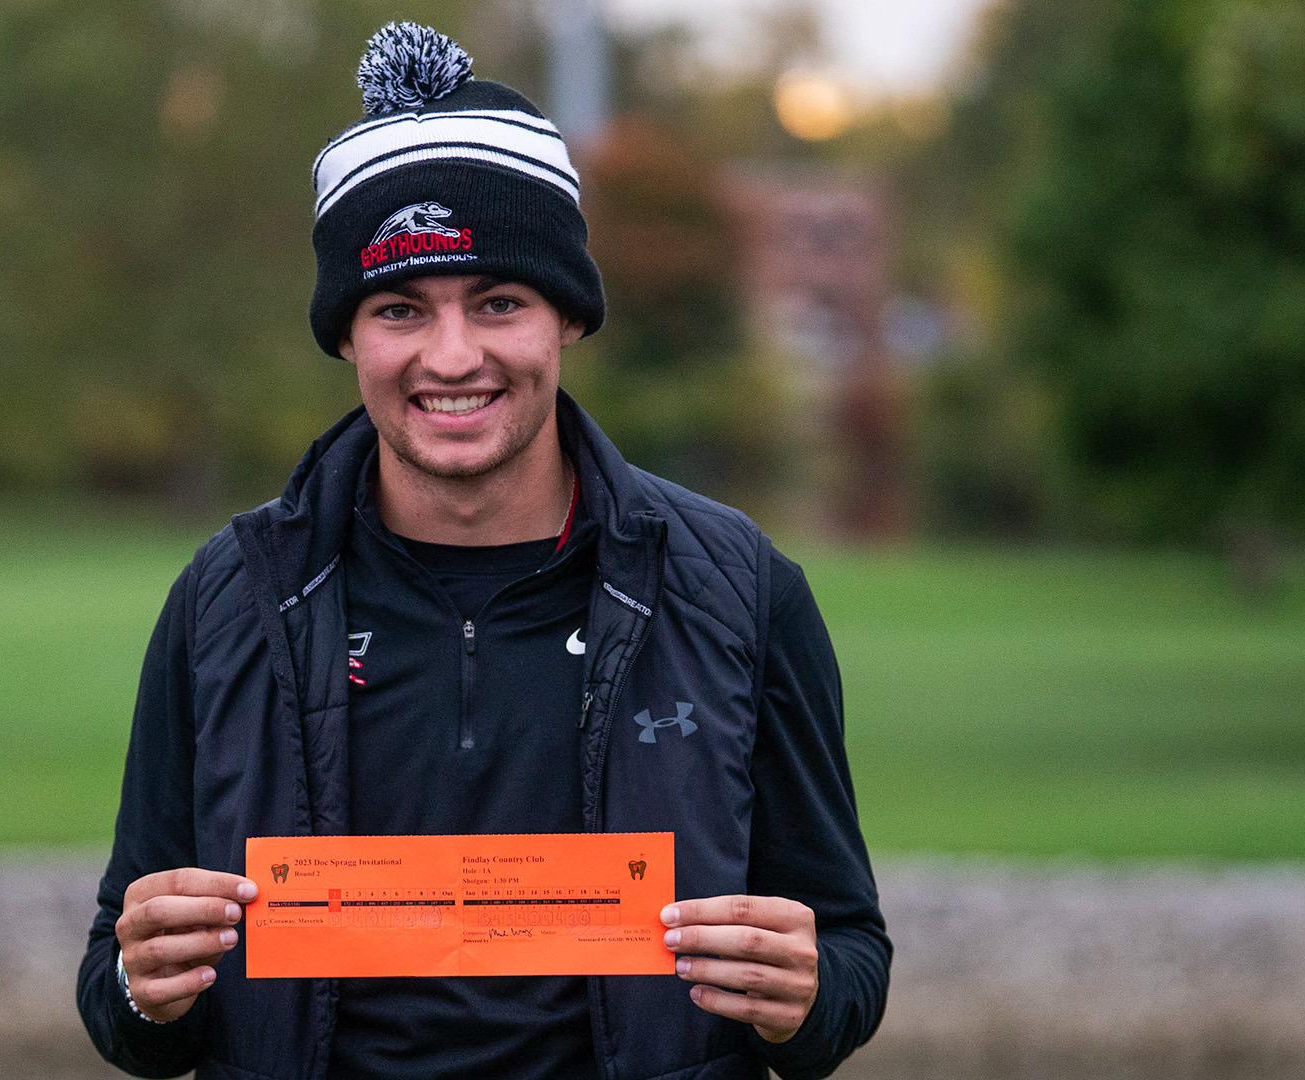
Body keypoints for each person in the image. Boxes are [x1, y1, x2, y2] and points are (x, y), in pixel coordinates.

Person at [78, 22, 889, 1080]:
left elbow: (850, 959)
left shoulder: (738, 589)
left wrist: (810, 996)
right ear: (346, 336)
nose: (451, 357)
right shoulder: (230, 598)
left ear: (568, 320)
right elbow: (120, 994)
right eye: (400, 309)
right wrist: (146, 985)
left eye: (498, 302)